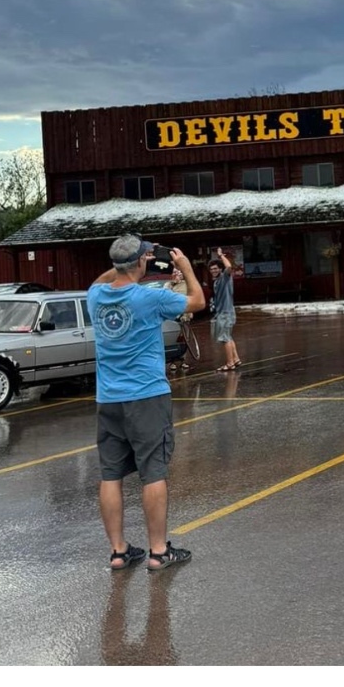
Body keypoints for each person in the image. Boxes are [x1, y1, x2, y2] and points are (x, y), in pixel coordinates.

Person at [88, 234, 205, 573]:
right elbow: (197, 301)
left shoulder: (95, 297)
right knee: (153, 471)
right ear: (143, 261)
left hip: (108, 398)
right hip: (147, 396)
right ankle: (158, 551)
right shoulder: (149, 299)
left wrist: (125, 265)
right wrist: (183, 265)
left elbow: (100, 280)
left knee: (110, 474)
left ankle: (119, 551)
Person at [208, 251, 241, 371]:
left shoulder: (225, 278)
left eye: (216, 268)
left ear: (220, 269)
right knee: (228, 336)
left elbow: (229, 267)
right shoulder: (217, 281)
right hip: (224, 312)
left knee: (224, 339)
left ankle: (230, 363)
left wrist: (221, 256)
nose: (213, 271)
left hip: (225, 313)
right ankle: (236, 359)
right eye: (211, 269)